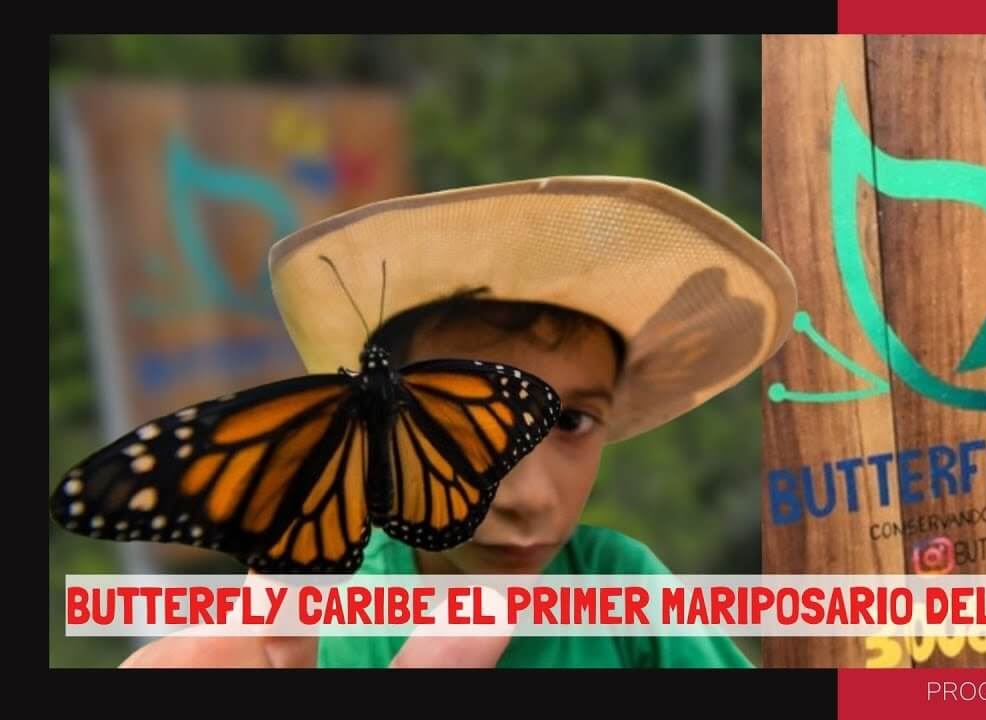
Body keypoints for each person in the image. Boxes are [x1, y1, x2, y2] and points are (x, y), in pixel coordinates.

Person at [119, 176, 797, 668]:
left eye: (570, 422)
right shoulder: (326, 622)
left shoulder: (622, 587)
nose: (527, 497)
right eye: (456, 431)